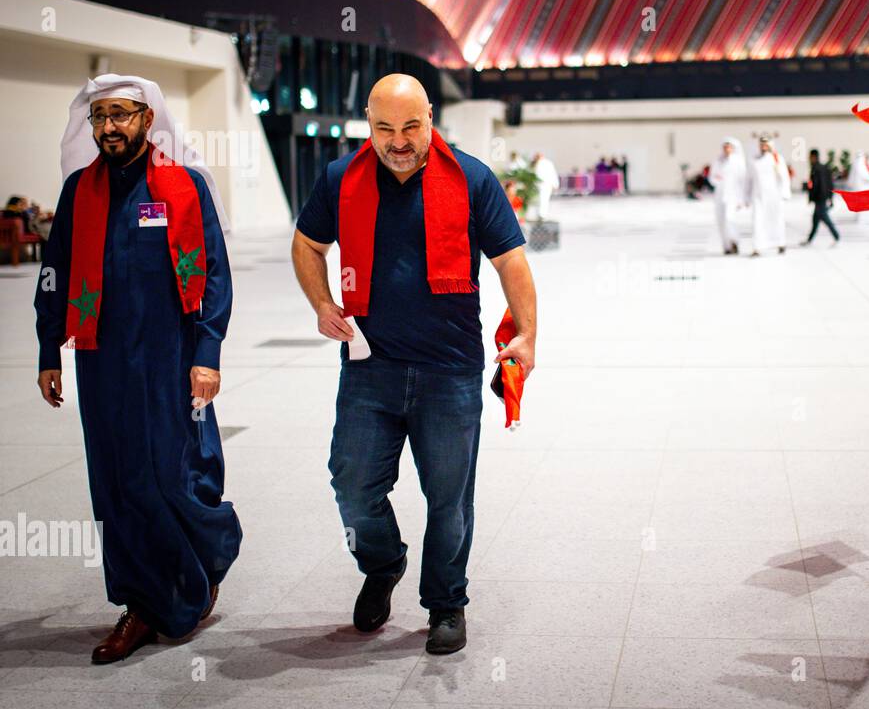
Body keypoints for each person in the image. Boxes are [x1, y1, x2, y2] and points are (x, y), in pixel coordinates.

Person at [291, 74, 537, 655]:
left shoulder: (472, 179)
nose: (398, 141)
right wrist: (323, 303)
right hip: (368, 367)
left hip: (449, 372)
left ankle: (446, 602)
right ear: (368, 124)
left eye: (410, 126)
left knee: (449, 497)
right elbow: (307, 244)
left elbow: (512, 262)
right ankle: (383, 565)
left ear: (430, 117)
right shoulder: (339, 180)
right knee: (352, 485)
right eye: (384, 128)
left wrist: (526, 333)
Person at [34, 74, 239, 662]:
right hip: (101, 362)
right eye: (99, 118)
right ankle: (143, 605)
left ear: (148, 121)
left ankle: (208, 553)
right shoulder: (79, 192)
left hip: (170, 360)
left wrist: (207, 354)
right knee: (118, 482)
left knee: (175, 476)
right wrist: (51, 348)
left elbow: (215, 277)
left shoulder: (184, 186)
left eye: (120, 116)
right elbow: (55, 272)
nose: (108, 128)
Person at [748, 136, 790, 255]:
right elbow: (749, 179)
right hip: (758, 196)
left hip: (774, 196)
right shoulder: (754, 160)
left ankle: (780, 243)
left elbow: (784, 177)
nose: (763, 147)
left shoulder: (777, 158)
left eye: (766, 145)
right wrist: (745, 197)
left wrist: (785, 193)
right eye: (761, 145)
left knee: (776, 220)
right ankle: (757, 247)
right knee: (757, 221)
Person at [709, 138, 748, 254]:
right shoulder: (718, 161)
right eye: (725, 147)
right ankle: (727, 246)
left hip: (733, 195)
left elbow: (743, 181)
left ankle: (734, 241)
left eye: (729, 147)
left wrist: (742, 199)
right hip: (720, 195)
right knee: (721, 221)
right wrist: (717, 180)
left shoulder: (738, 161)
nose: (726, 149)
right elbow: (712, 177)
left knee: (730, 219)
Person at [802, 148, 840, 246]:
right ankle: (809, 240)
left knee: (824, 218)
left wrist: (813, 197)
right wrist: (830, 197)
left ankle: (836, 236)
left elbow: (817, 185)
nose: (809, 159)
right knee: (816, 219)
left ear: (813, 157)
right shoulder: (824, 167)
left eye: (810, 157)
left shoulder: (816, 168)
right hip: (822, 197)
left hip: (820, 198)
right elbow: (830, 183)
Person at [529, 151, 559, 221]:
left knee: (544, 199)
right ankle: (538, 215)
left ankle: (542, 215)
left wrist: (555, 184)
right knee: (537, 200)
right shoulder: (533, 164)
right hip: (536, 185)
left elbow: (552, 173)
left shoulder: (548, 163)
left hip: (545, 184)